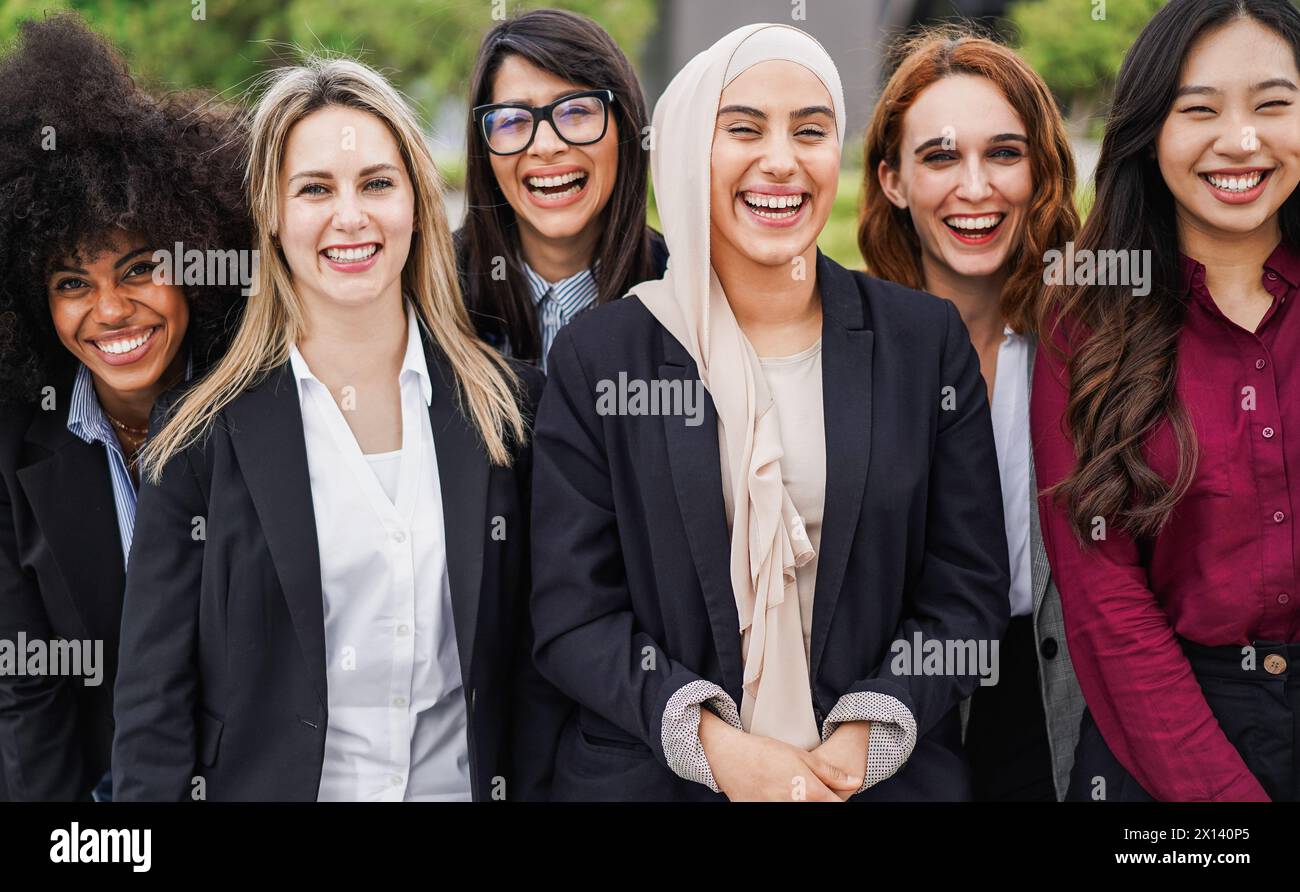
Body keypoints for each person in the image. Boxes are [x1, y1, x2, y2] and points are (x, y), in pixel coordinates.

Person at [530, 23, 1009, 801]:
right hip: (656, 781)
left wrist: (872, 729)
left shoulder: (923, 344)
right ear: (690, 149)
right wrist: (713, 746)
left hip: (872, 783)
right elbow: (571, 614)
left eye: (811, 132)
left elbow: (968, 591)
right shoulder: (601, 356)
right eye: (744, 129)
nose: (782, 160)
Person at [112, 56, 566, 801]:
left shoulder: (514, 412)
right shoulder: (196, 438)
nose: (349, 216)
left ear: (417, 204)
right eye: (315, 189)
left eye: (377, 184)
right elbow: (152, 711)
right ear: (271, 214)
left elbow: (542, 673)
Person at [1033, 0, 1300, 801]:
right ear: (1151, 131)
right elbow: (1104, 600)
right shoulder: (1085, 319)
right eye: (1200, 110)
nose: (1241, 140)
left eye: (1274, 105)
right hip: (1164, 729)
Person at [0, 13, 249, 802]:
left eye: (138, 270)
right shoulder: (14, 449)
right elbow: (27, 696)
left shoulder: (261, 413)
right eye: (73, 282)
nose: (110, 310)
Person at [861, 27, 1083, 800]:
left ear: (1040, 169)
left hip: (1062, 702)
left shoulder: (1095, 344)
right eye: (941, 156)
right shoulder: (843, 347)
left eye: (1004, 153)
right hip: (891, 708)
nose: (976, 186)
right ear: (892, 181)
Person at [457, 8, 668, 368]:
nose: (545, 145)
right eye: (512, 120)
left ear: (625, 127)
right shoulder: (435, 294)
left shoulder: (681, 290)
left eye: (575, 111)